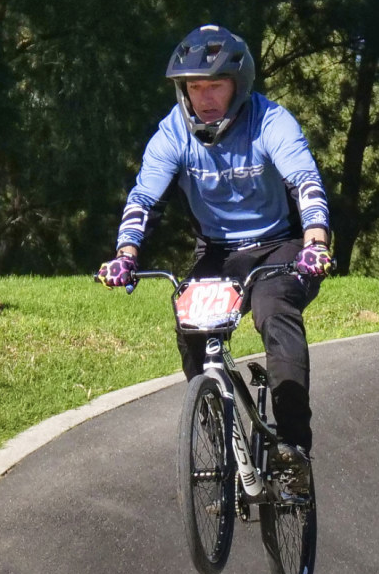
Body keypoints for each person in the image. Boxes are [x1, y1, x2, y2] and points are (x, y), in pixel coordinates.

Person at [97, 24, 333, 497]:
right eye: (194, 87)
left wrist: (316, 240)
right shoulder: (173, 133)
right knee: (190, 321)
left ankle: (292, 450)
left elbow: (305, 180)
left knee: (274, 310)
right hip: (218, 252)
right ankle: (214, 435)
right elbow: (144, 196)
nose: (203, 98)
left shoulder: (271, 121)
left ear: (238, 85)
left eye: (215, 86)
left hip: (282, 244)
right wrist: (126, 252)